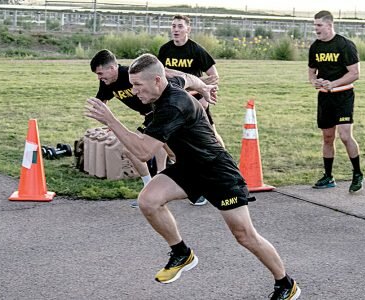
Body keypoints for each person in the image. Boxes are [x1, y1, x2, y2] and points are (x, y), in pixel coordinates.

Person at [85, 53, 301, 300]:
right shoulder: (169, 85)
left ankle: (286, 284)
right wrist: (205, 88)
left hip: (216, 171)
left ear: (156, 81)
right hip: (188, 166)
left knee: (245, 235)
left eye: (138, 86)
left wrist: (110, 120)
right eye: (132, 85)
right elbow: (188, 79)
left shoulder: (173, 106)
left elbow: (144, 152)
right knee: (149, 200)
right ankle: (181, 253)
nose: (133, 92)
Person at [90, 49, 175, 208]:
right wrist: (106, 121)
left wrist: (199, 84)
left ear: (113, 68)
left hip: (160, 113)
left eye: (101, 73)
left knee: (172, 153)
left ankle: (197, 189)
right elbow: (101, 103)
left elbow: (164, 75)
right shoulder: (106, 83)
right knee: (133, 150)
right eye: (97, 75)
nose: (100, 78)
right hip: (150, 116)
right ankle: (151, 190)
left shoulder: (131, 74)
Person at [158, 15, 224, 206]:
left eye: (180, 26)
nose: (176, 29)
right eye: (173, 26)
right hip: (173, 102)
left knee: (209, 134)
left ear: (188, 29)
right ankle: (176, 168)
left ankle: (222, 164)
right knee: (169, 137)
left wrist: (203, 95)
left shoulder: (195, 50)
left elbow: (214, 77)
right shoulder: (165, 49)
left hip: (195, 101)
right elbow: (160, 74)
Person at [308, 10, 364, 193]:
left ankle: (357, 174)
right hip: (325, 97)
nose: (315, 29)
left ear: (329, 25)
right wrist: (315, 82)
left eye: (319, 25)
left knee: (345, 136)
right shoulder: (315, 47)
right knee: (327, 137)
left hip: (343, 96)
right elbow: (311, 72)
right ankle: (328, 176)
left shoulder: (344, 45)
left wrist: (334, 84)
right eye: (315, 25)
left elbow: (355, 74)